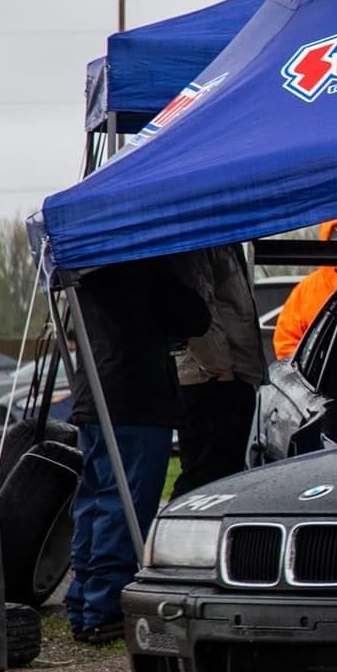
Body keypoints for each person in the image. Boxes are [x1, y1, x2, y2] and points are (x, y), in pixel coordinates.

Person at [65, 253, 209, 645]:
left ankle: (82, 604)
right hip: (135, 398)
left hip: (93, 395)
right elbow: (194, 317)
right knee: (124, 503)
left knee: (94, 502)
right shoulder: (142, 262)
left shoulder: (85, 262)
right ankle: (106, 607)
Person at [171, 244, 264, 496]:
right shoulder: (202, 240)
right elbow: (199, 303)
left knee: (220, 475)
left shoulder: (225, 241)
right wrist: (222, 369)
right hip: (212, 380)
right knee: (206, 478)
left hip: (223, 376)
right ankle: (182, 530)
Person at [272, 217, 337, 359]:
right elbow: (286, 342)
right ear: (327, 247)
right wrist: (304, 373)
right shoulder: (306, 290)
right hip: (322, 379)